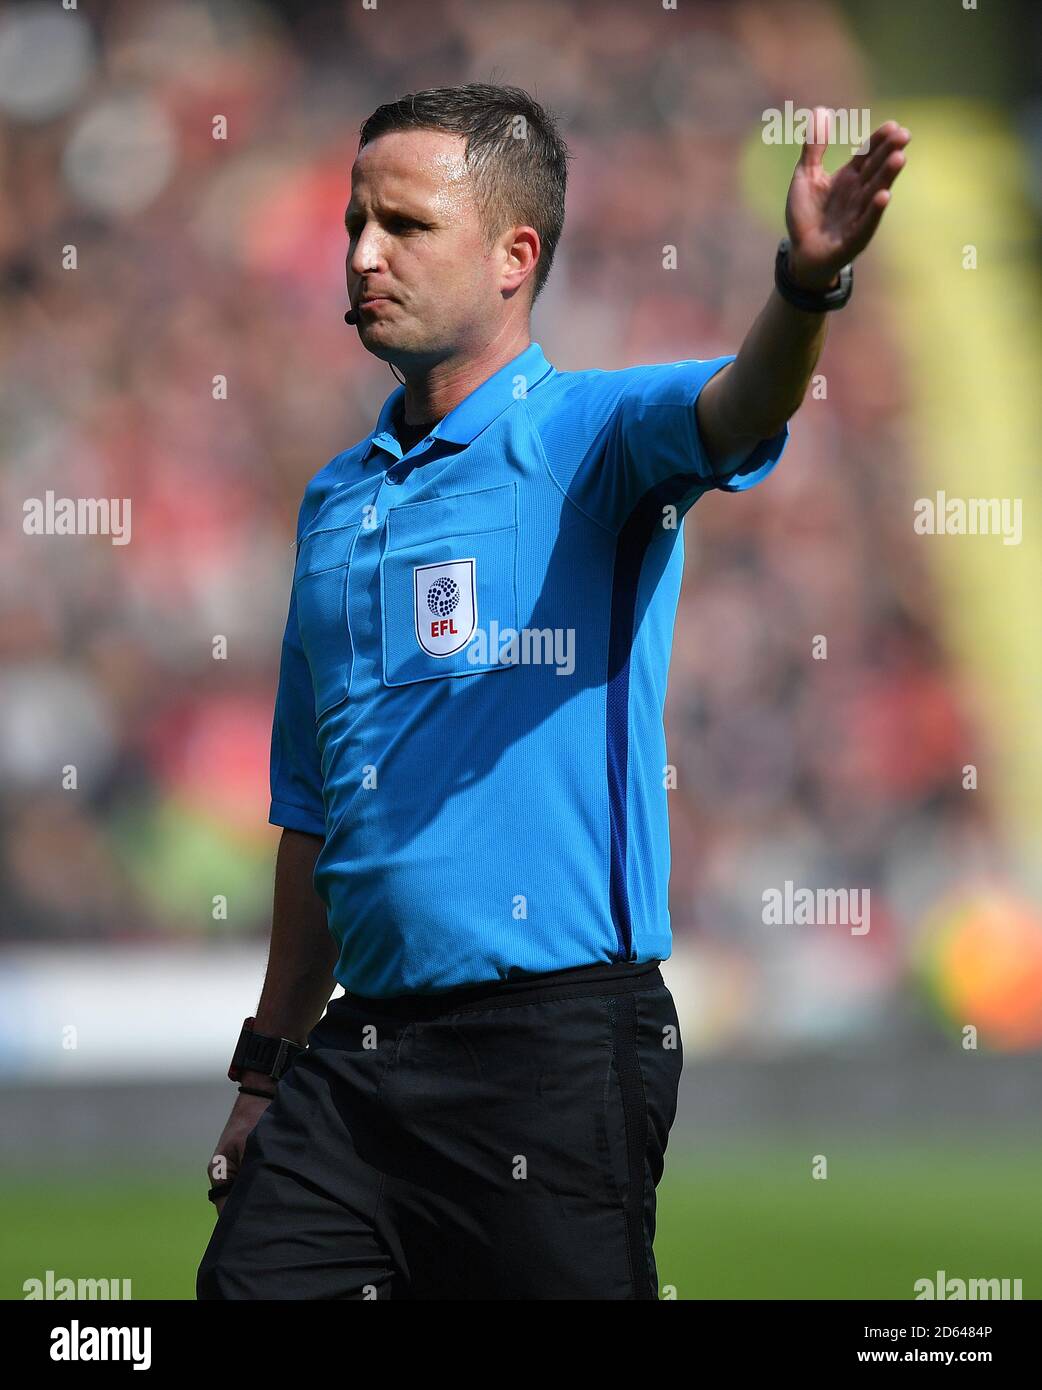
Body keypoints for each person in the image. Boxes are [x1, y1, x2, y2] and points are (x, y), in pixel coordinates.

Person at [197, 83, 909, 1300]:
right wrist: (266, 1068)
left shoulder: (591, 435)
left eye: (406, 226)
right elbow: (311, 814)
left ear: (515, 254)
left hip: (554, 1046)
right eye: (354, 221)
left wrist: (805, 287)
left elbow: (746, 401)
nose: (364, 253)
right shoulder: (332, 501)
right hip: (359, 1058)